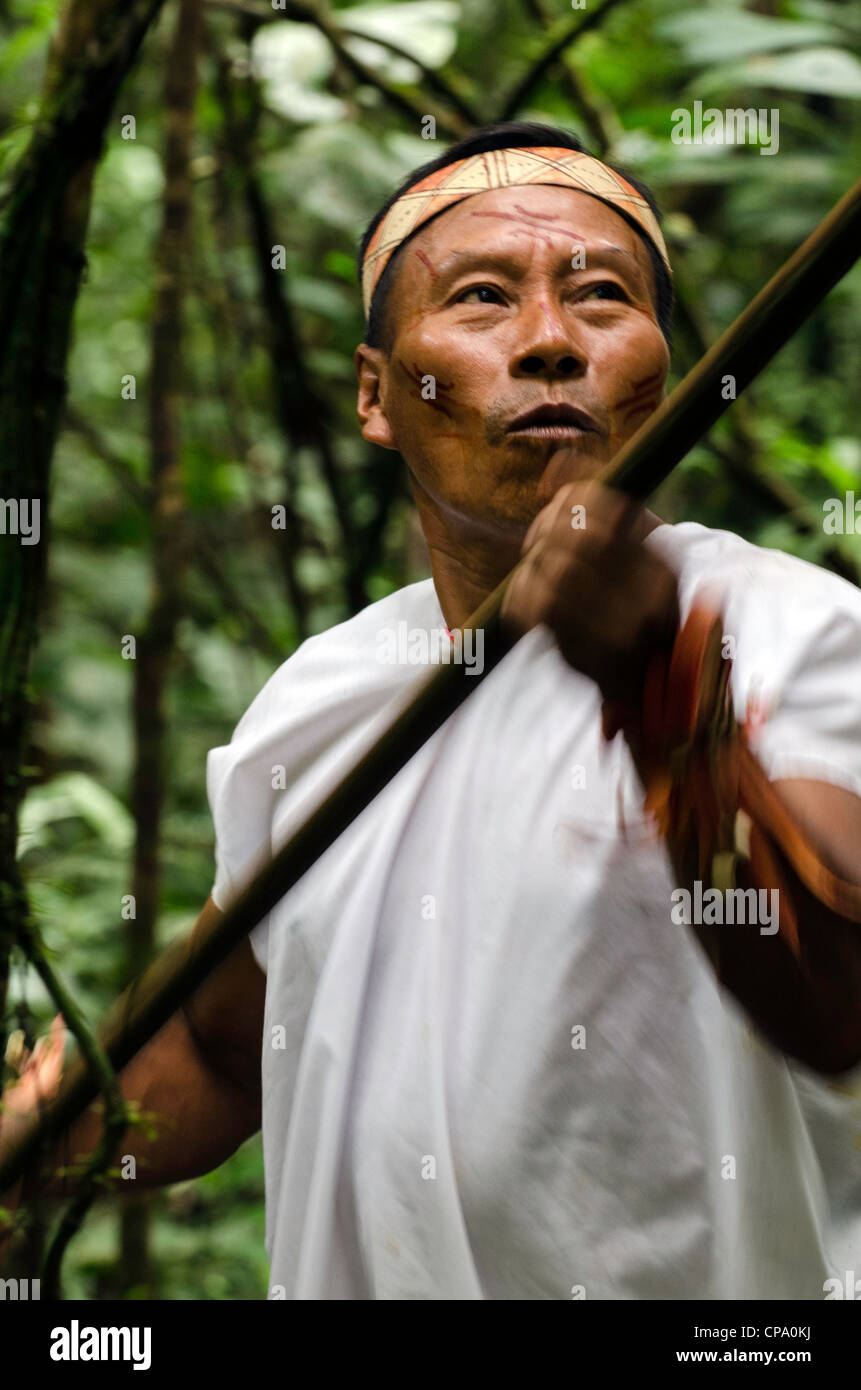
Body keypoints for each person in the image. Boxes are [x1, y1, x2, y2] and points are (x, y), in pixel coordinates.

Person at [3, 122, 861, 1300]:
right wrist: (42, 1143)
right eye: (481, 298)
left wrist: (660, 695)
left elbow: (836, 998)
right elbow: (222, 1045)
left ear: (663, 369)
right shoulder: (319, 700)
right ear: (377, 393)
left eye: (602, 297)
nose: (551, 342)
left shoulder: (792, 629)